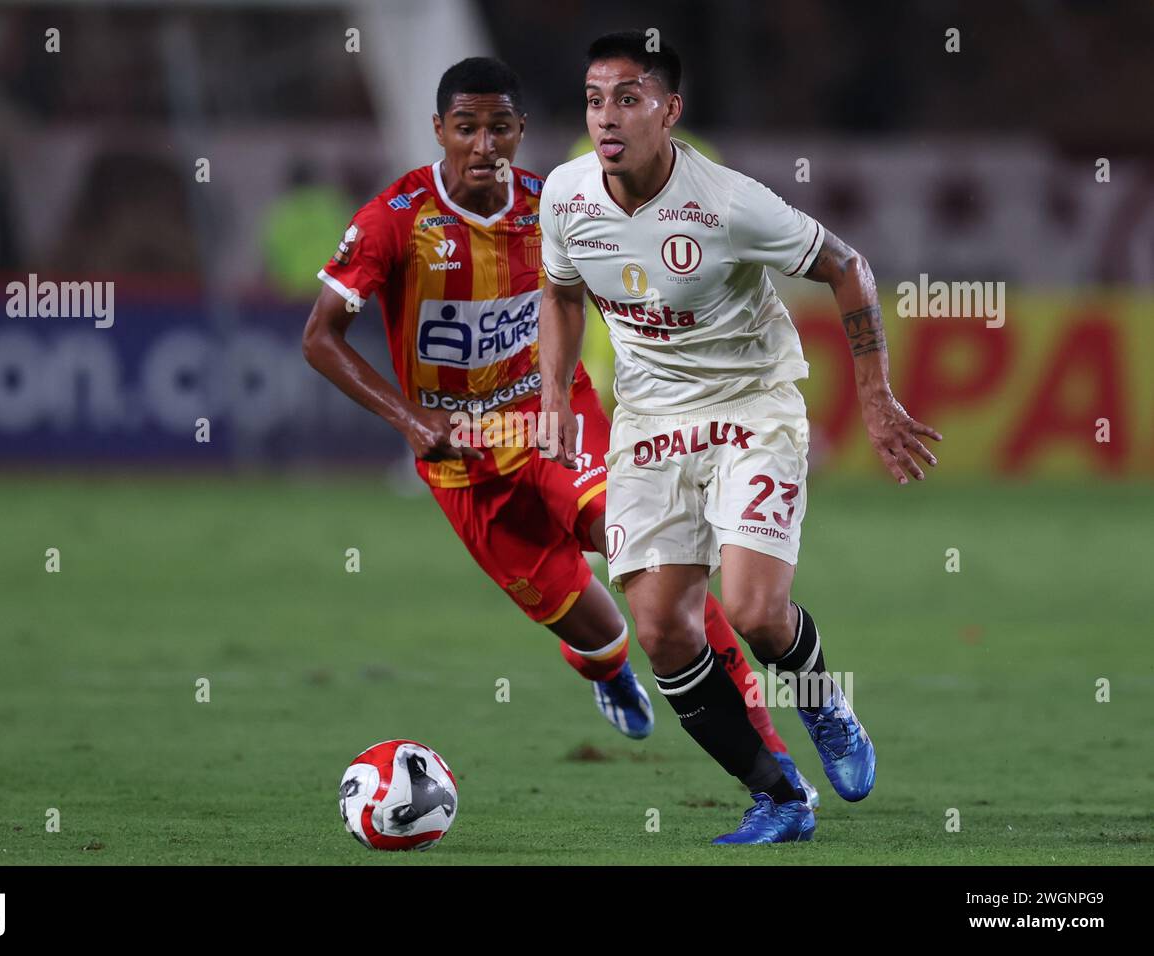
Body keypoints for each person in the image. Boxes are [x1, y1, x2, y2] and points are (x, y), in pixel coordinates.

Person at [303, 56, 814, 801]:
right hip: (461, 463)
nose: (485, 145)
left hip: (554, 424)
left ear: (521, 131)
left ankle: (770, 758)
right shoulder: (395, 219)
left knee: (654, 561)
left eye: (500, 128)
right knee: (594, 627)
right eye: (468, 128)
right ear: (439, 130)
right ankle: (607, 671)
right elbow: (321, 337)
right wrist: (412, 421)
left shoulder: (554, 207)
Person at [538, 33, 941, 844]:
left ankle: (825, 707)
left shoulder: (727, 201)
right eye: (593, 98)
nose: (606, 117)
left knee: (755, 612)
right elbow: (560, 291)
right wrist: (553, 391)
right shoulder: (565, 194)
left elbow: (846, 265)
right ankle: (778, 797)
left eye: (628, 97)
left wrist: (874, 396)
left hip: (750, 405)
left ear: (669, 110)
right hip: (649, 420)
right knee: (661, 629)